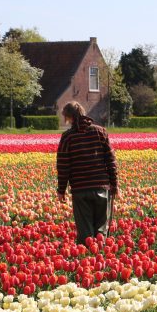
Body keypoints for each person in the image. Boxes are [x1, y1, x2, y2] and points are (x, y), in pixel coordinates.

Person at [56, 102, 118, 244]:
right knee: (102, 230)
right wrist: (114, 185)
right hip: (102, 187)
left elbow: (63, 166)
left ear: (68, 117)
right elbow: (111, 161)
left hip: (80, 190)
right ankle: (100, 258)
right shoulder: (100, 131)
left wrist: (61, 190)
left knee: (85, 232)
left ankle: (88, 262)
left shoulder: (67, 137)